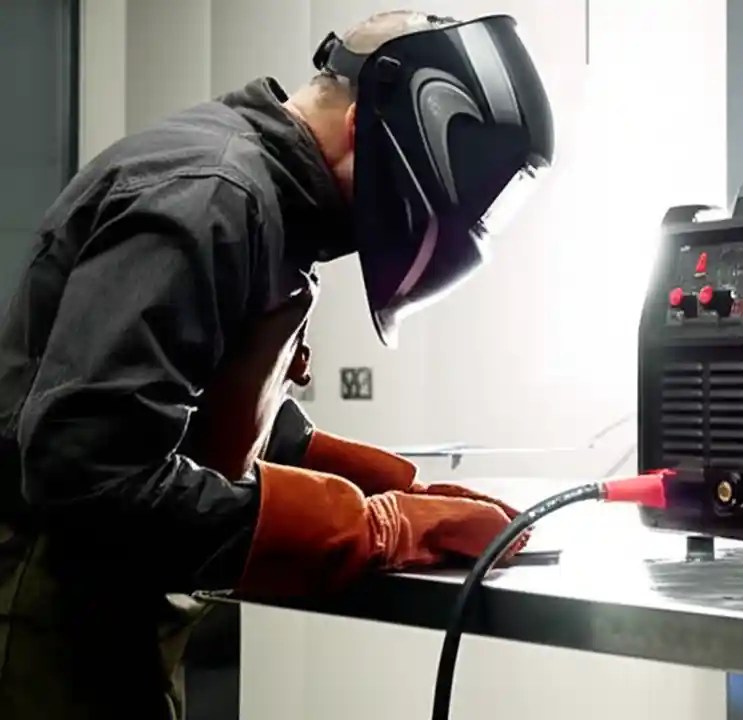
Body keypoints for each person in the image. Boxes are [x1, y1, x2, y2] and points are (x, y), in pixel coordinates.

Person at [0, 9, 553, 718]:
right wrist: (376, 528)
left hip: (98, 608)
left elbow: (185, 400)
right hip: (39, 614)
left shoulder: (265, 199)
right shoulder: (210, 196)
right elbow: (92, 475)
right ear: (362, 132)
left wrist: (390, 484)